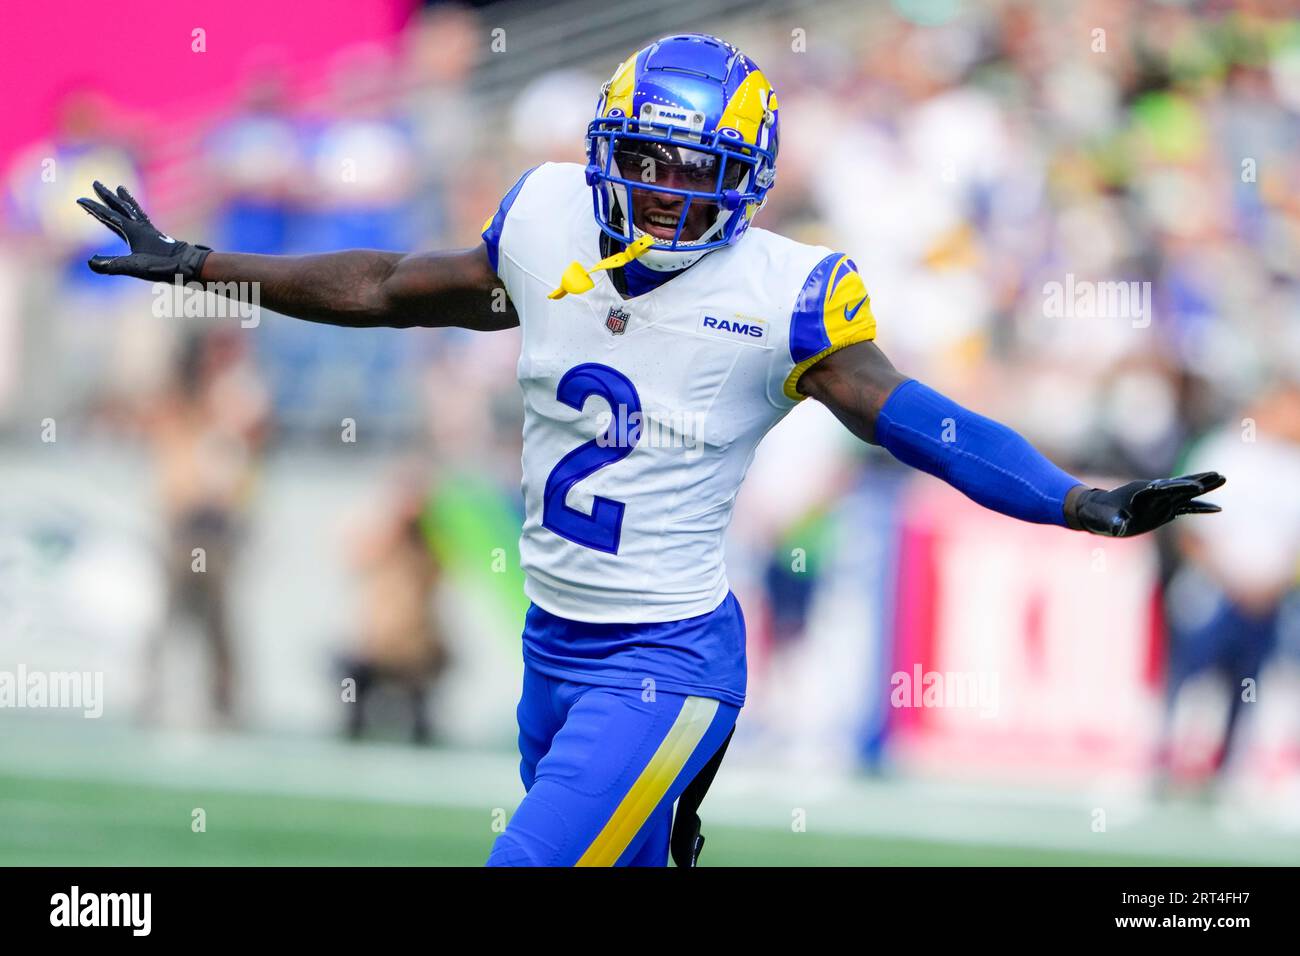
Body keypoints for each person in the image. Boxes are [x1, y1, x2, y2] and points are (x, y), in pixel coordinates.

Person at [77, 33, 1224, 867]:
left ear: (748, 183)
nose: (666, 194)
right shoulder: (542, 220)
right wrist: (202, 264)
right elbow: (383, 285)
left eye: (694, 173)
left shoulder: (785, 295)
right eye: (648, 161)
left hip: (663, 660)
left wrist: (1072, 500)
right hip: (554, 644)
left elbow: (918, 417)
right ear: (604, 149)